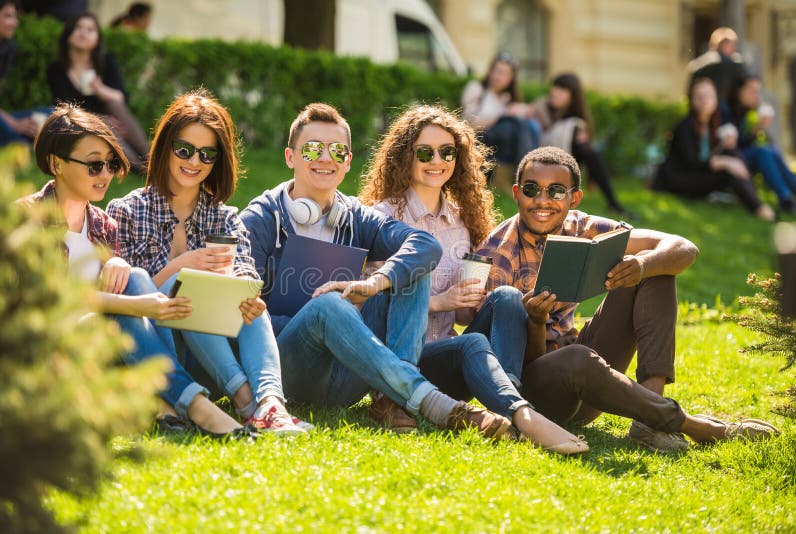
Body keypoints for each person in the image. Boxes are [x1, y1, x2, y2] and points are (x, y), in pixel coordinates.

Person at [240, 102, 515, 441]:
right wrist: (329, 318)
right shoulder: (261, 218)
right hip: (290, 369)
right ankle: (427, 400)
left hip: (351, 371)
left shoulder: (354, 214)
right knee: (329, 307)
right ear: (290, 157)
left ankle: (393, 400)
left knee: (413, 267)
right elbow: (240, 306)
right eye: (313, 149)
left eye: (337, 150)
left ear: (348, 161)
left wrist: (374, 283)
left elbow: (425, 246)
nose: (326, 158)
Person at [476, 146, 779, 451]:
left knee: (655, 265)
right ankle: (691, 424)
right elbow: (508, 369)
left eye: (556, 191)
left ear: (574, 198)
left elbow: (683, 247)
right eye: (532, 190)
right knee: (576, 357)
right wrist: (536, 322)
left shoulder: (580, 226)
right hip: (541, 396)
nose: (543, 201)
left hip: (587, 377)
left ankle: (649, 419)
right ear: (516, 193)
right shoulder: (497, 254)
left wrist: (642, 265)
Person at [359, 104, 588, 453]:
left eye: (447, 152)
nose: (438, 160)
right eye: (425, 151)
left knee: (508, 297)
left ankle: (507, 396)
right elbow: (371, 301)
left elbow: (463, 316)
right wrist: (440, 301)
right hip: (400, 357)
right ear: (405, 156)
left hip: (444, 360)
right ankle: (518, 414)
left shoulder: (461, 222)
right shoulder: (384, 216)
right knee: (471, 344)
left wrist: (471, 303)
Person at [16, 103, 250, 439]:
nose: (106, 175)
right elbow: (49, 302)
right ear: (57, 164)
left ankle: (165, 405)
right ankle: (197, 408)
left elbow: (124, 294)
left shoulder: (103, 226)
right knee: (131, 292)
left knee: (135, 277)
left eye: (111, 164)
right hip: (46, 354)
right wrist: (137, 306)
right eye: (94, 165)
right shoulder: (27, 218)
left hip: (105, 354)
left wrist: (117, 262)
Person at [107, 89, 307, 434]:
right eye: (184, 149)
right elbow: (126, 303)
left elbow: (245, 270)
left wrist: (245, 296)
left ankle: (271, 403)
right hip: (161, 362)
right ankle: (246, 400)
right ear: (165, 147)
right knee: (180, 284)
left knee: (249, 299)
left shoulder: (225, 218)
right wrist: (181, 265)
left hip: (211, 361)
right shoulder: (125, 212)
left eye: (207, 154)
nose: (194, 161)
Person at [654, 77, 774, 221]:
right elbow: (692, 162)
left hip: (700, 175)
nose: (705, 100)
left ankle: (757, 202)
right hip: (679, 179)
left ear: (716, 99)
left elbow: (712, 154)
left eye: (709, 95)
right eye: (700, 96)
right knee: (728, 167)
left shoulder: (715, 124)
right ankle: (758, 207)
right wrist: (724, 162)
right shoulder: (685, 126)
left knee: (732, 152)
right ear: (692, 100)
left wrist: (724, 146)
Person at [46, 12, 149, 174]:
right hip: (80, 124)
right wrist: (101, 120)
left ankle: (152, 159)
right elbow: (65, 108)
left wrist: (100, 89)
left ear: (97, 38)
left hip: (113, 117)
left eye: (90, 29)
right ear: (68, 33)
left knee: (114, 104)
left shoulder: (105, 62)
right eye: (78, 27)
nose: (83, 33)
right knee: (105, 126)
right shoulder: (56, 69)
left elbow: (120, 97)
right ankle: (143, 169)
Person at [531, 72, 631, 216]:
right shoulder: (542, 107)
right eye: (555, 87)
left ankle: (612, 202)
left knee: (588, 150)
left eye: (562, 90)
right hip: (545, 154)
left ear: (573, 96)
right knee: (587, 149)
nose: (555, 92)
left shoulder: (577, 119)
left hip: (571, 157)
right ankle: (612, 202)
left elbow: (585, 140)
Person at [461, 53, 539, 196]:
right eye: (497, 71)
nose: (499, 76)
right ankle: (527, 176)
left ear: (511, 79)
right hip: (480, 137)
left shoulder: (506, 98)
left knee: (529, 125)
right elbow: (470, 125)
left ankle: (525, 176)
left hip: (503, 140)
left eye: (504, 74)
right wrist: (502, 113)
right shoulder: (476, 89)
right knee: (516, 126)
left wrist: (521, 111)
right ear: (490, 71)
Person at [727, 74, 796, 216]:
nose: (756, 95)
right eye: (752, 91)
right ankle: (785, 198)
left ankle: (795, 192)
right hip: (730, 160)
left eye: (758, 91)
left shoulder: (743, 111)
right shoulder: (726, 110)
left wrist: (759, 127)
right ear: (739, 90)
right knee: (763, 152)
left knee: (771, 150)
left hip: (741, 156)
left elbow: (743, 142)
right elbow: (733, 146)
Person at [0, 0, 51, 146]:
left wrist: (18, 123)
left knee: (50, 114)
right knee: (18, 140)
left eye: (15, 17)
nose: (15, 23)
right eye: (8, 16)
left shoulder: (7, 48)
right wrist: (14, 123)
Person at [687, 26, 746, 101]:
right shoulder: (732, 64)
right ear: (719, 45)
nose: (733, 48)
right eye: (729, 44)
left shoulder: (701, 63)